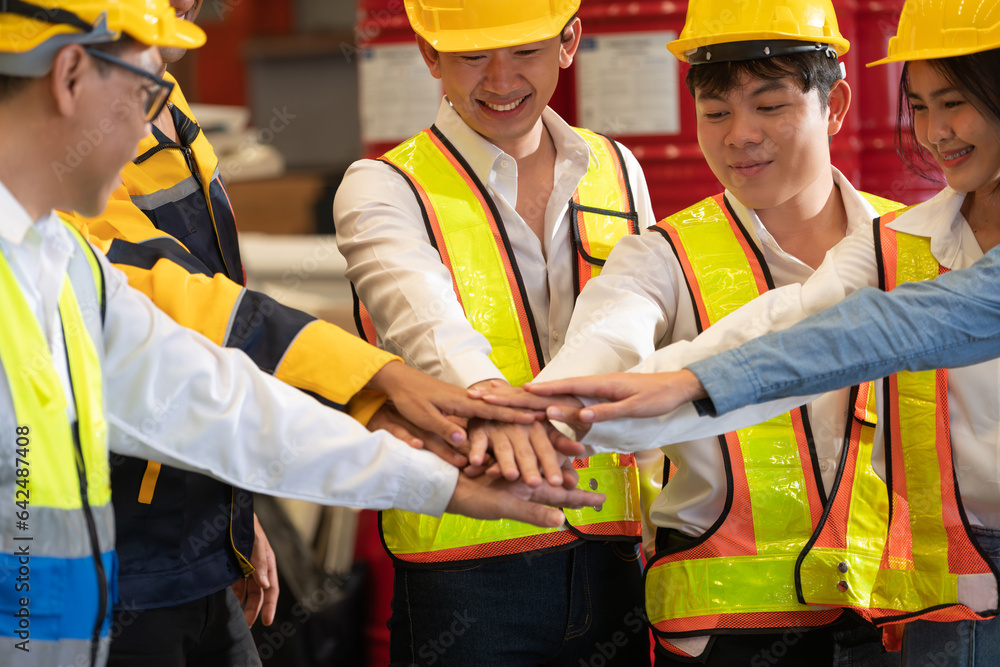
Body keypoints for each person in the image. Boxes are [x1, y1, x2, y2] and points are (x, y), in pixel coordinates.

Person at [0, 2, 604, 666]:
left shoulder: (62, 267)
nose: (154, 121)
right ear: (70, 74)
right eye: (146, 90)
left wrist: (434, 480)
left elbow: (216, 401)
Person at [498, 0, 1000, 663]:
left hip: (905, 617)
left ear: (838, 105)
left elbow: (884, 327)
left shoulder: (911, 242)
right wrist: (551, 414)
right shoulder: (879, 243)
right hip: (765, 627)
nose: (740, 135)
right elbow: (794, 321)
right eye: (715, 113)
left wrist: (683, 382)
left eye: (770, 107)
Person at [334, 1, 657, 663]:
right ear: (430, 56)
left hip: (614, 548)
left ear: (570, 42)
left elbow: (647, 340)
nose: (500, 79)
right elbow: (426, 324)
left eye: (524, 52)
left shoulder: (619, 169)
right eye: (473, 55)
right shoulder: (385, 187)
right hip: (464, 568)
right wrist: (494, 405)